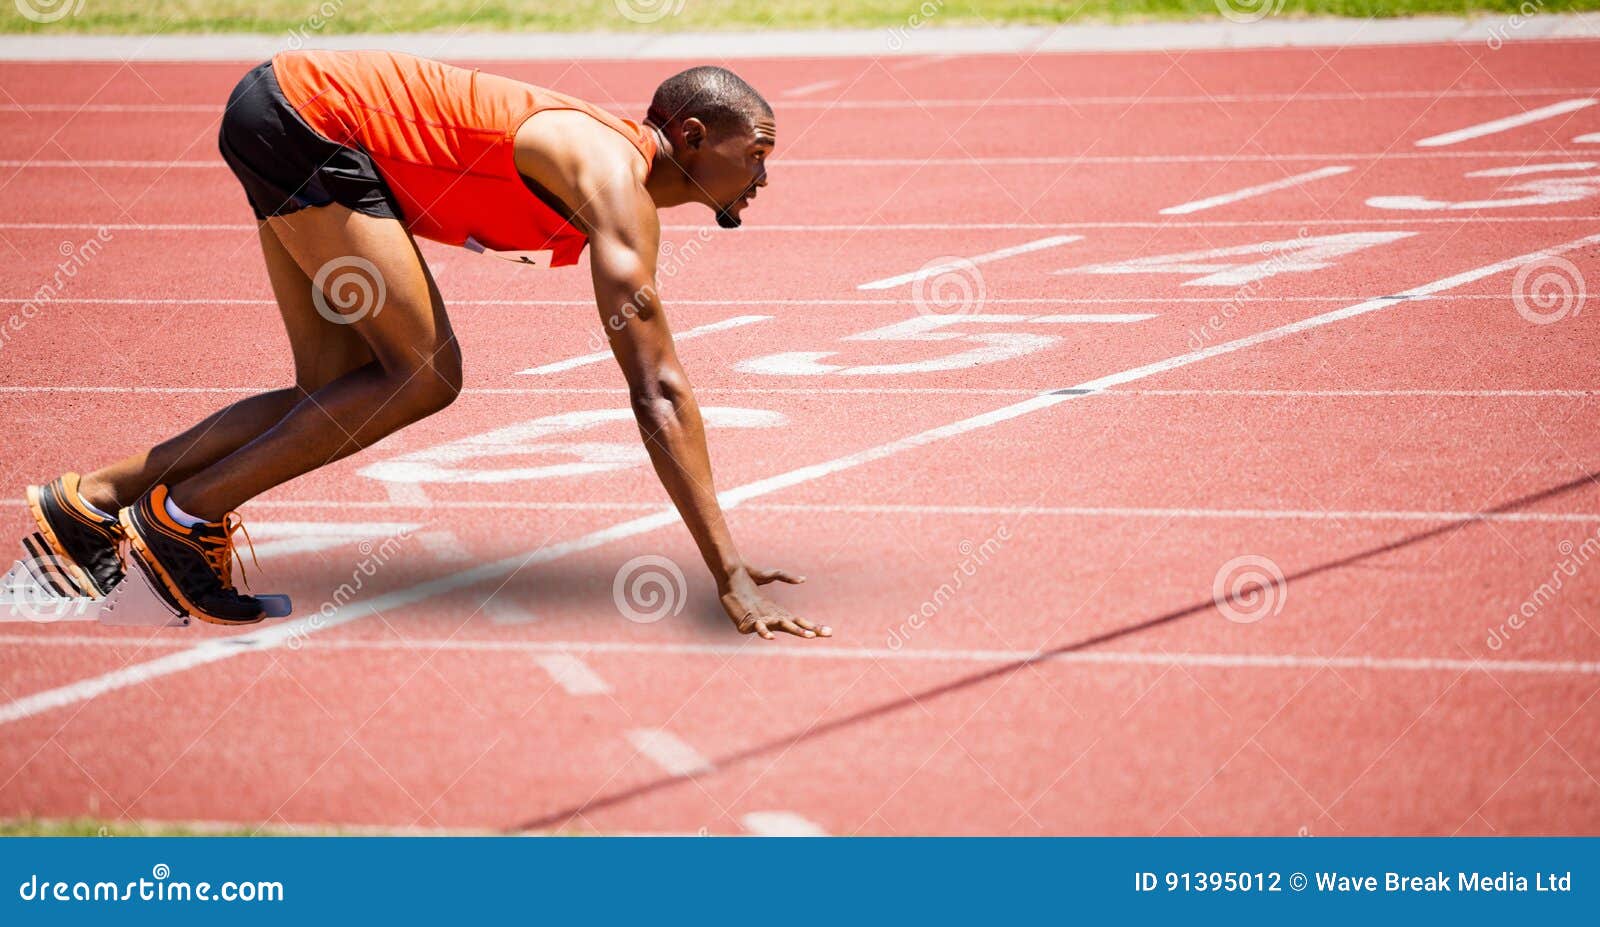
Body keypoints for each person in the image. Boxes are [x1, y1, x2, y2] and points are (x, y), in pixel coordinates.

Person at [24, 49, 828, 641]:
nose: (762, 175)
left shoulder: (609, 168)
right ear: (690, 137)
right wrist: (727, 573)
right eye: (756, 153)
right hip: (308, 119)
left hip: (294, 114)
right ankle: (181, 515)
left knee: (336, 388)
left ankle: (89, 501)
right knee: (426, 374)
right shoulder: (615, 182)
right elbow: (658, 387)